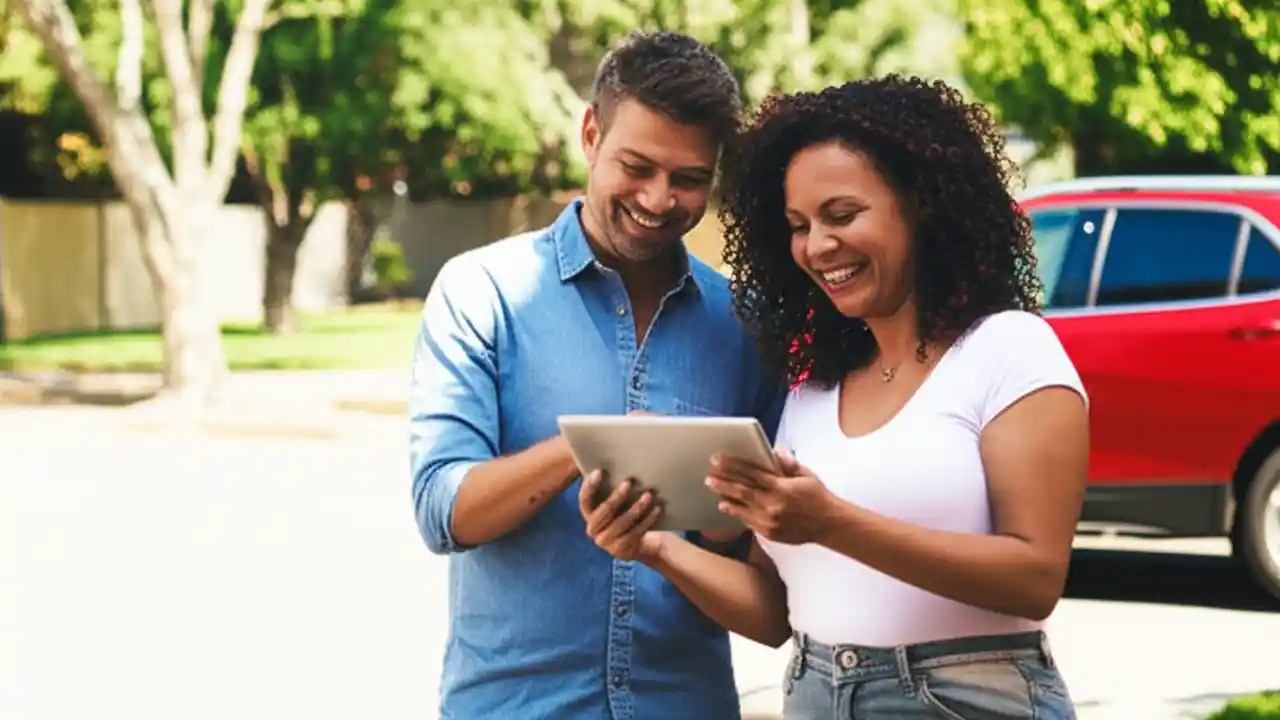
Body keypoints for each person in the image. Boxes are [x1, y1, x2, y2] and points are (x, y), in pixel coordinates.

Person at [581, 75, 1089, 719]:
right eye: (798, 225)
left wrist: (831, 522)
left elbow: (1035, 576)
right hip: (817, 691)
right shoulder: (815, 390)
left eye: (842, 215)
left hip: (961, 698)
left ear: (921, 204)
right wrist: (654, 546)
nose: (818, 246)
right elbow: (772, 612)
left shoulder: (1008, 350)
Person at [409, 30, 785, 720]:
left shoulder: (747, 327)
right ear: (591, 134)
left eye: (689, 179)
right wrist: (593, 449)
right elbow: (442, 511)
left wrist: (700, 532)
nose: (659, 198)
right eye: (636, 166)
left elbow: (772, 603)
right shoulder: (483, 292)